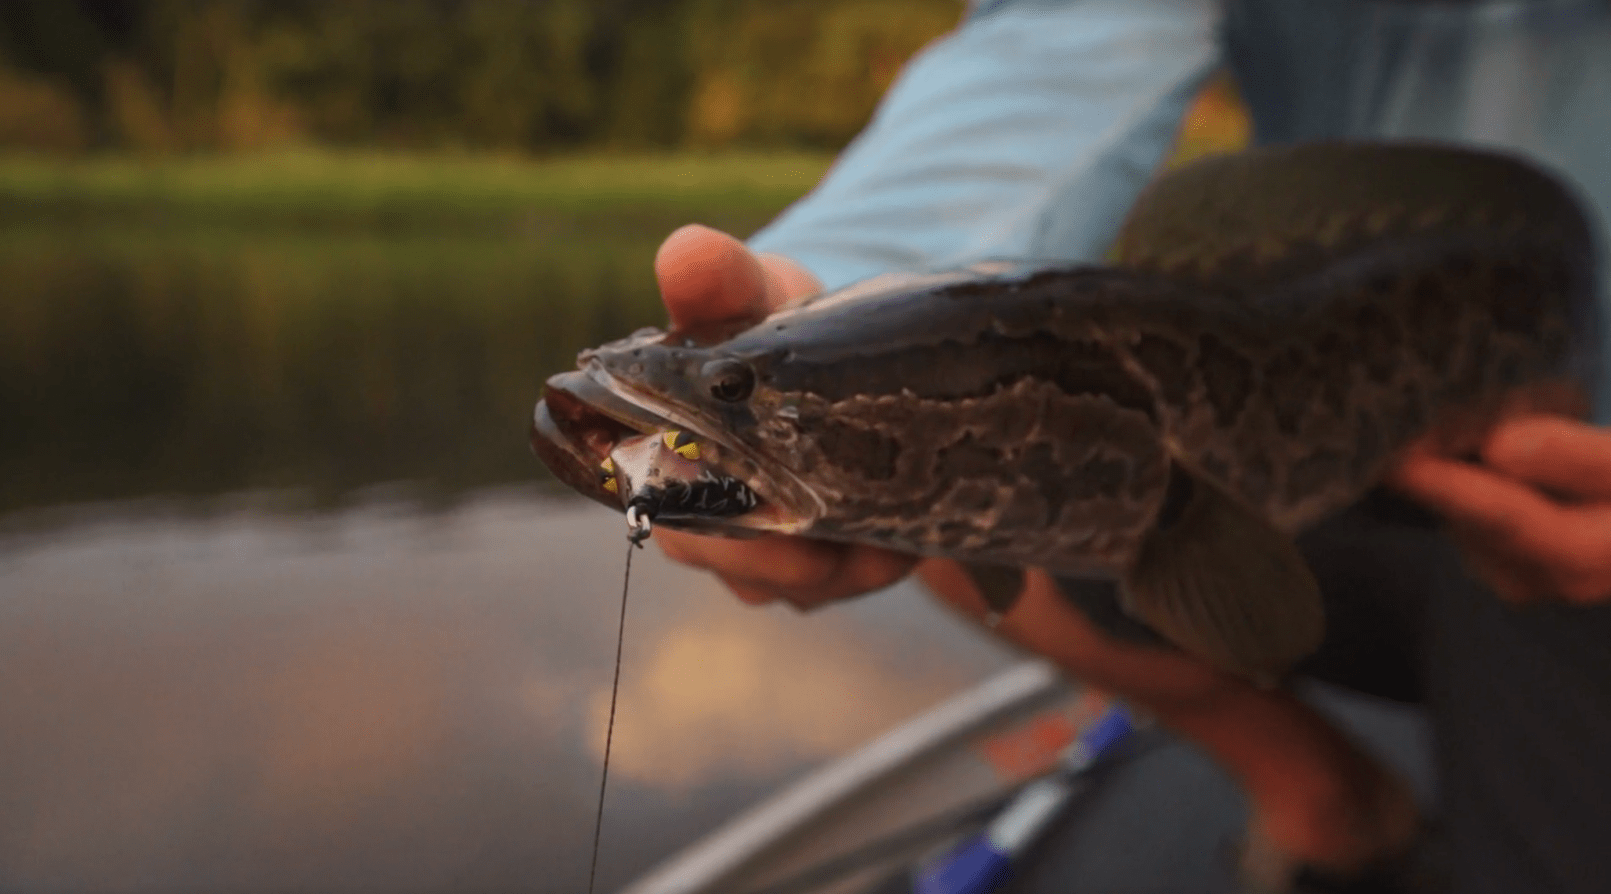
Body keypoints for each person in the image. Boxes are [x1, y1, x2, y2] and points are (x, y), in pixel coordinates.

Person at [648, 1, 1611, 890]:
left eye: (737, 392)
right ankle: (1331, 799)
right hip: (1300, 457)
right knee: (961, 548)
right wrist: (828, 277)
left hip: (1583, 484)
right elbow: (1061, 34)